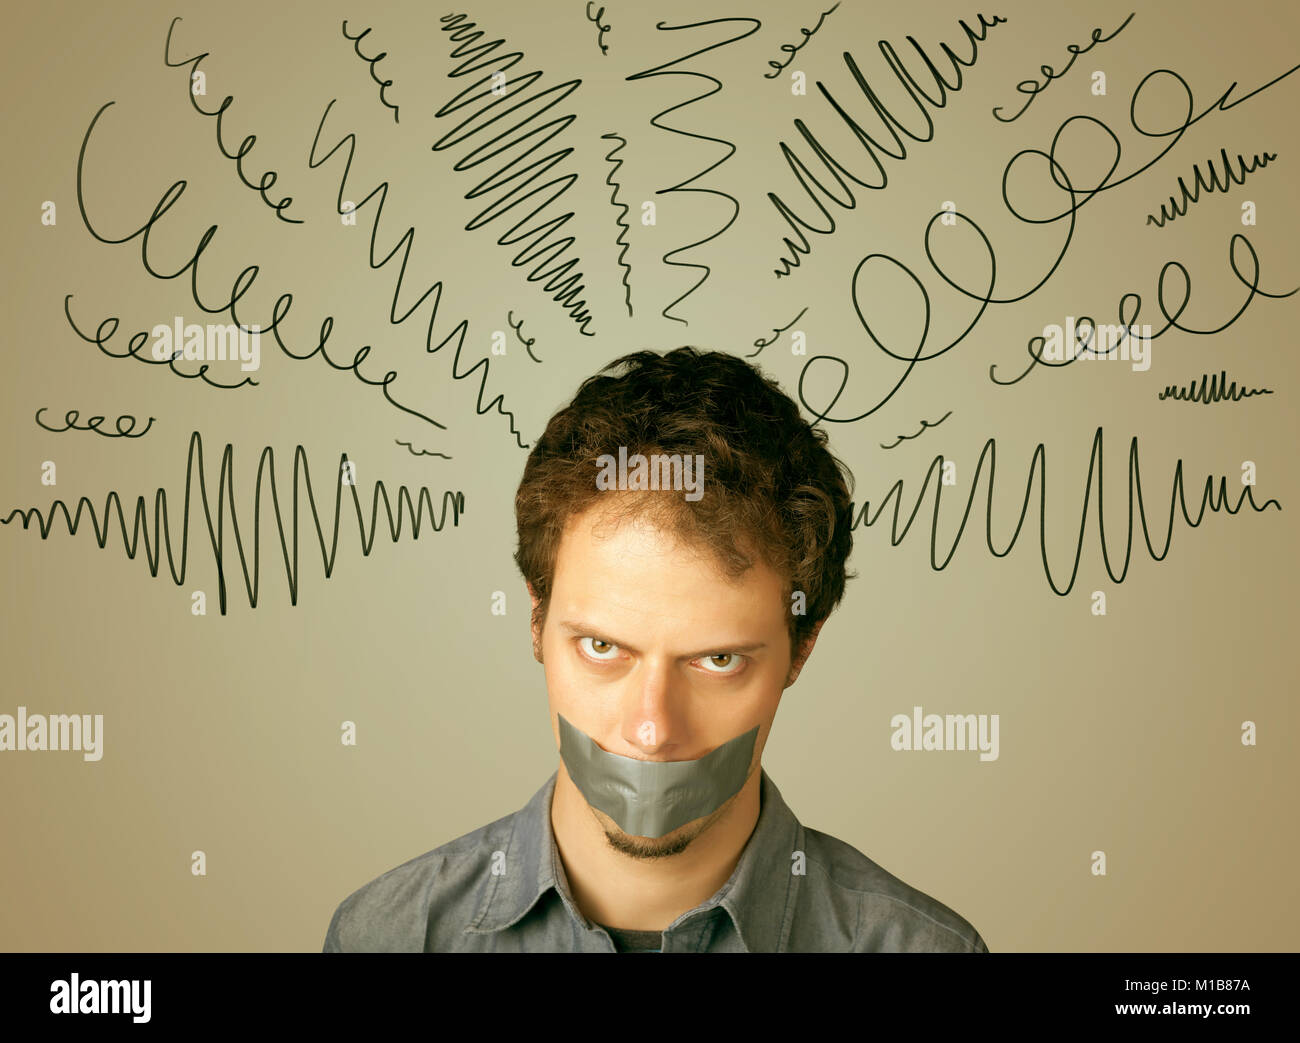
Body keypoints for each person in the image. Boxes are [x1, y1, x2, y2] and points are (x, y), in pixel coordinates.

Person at [323, 347, 988, 952]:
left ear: (801, 648)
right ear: (535, 620)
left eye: (718, 659)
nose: (651, 729)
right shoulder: (388, 935)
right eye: (603, 646)